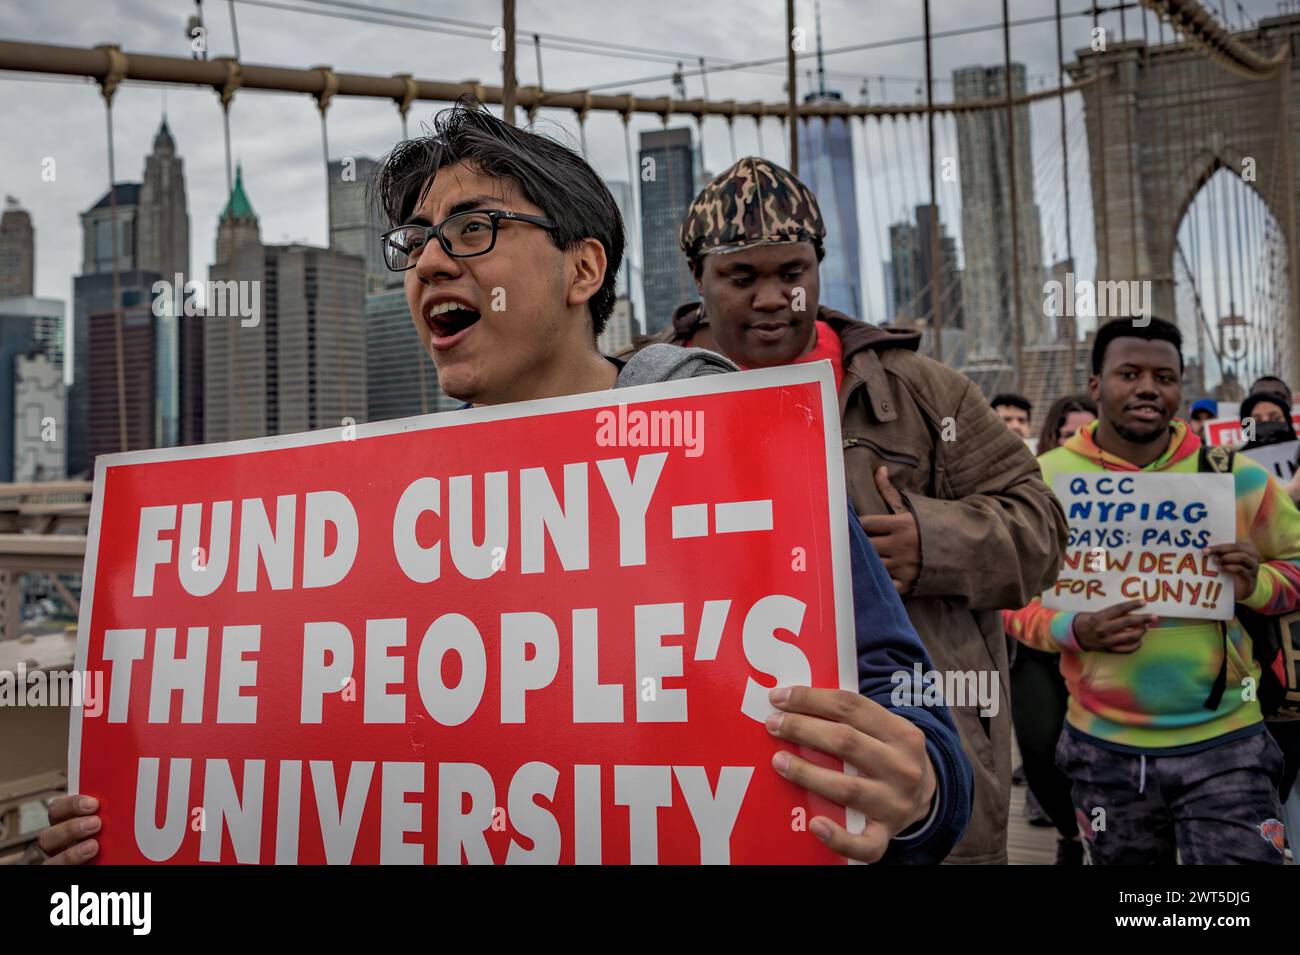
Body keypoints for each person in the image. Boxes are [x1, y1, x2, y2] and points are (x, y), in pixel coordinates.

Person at [39, 100, 969, 866]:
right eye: (417, 243)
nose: (432, 262)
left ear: (584, 268)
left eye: (474, 228)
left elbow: (913, 715)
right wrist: (120, 849)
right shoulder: (388, 513)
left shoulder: (733, 445)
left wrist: (919, 786)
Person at [637, 154, 1068, 864]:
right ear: (698, 280)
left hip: (919, 786)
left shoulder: (926, 393)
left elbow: (1043, 526)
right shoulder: (635, 398)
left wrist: (932, 542)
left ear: (819, 268)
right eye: (742, 278)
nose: (773, 297)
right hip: (710, 782)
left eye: (792, 274)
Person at [1005, 316, 1300, 864]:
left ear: (1180, 387)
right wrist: (1074, 628)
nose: (1148, 387)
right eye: (1129, 373)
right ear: (1096, 385)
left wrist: (1256, 583)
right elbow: (1007, 593)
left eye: (1164, 376)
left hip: (1228, 744)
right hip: (1104, 751)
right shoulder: (1043, 480)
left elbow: (1297, 569)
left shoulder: (1234, 477)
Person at [1008, 394, 1097, 863]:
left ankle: (1098, 835)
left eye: (1089, 432)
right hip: (1037, 640)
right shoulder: (1028, 486)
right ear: (1052, 440)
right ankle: (1068, 832)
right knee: (1041, 750)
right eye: (1068, 436)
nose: (1079, 444)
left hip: (1104, 645)